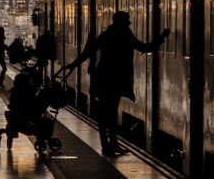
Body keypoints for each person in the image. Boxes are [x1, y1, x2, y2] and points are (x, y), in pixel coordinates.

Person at [63, 11, 169, 155]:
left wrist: (73, 65)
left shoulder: (105, 35)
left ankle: (108, 144)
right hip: (116, 80)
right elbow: (145, 48)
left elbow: (88, 52)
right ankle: (110, 145)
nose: (130, 22)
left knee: (105, 114)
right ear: (120, 21)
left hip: (103, 79)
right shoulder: (126, 36)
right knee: (110, 114)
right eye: (127, 20)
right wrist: (162, 37)